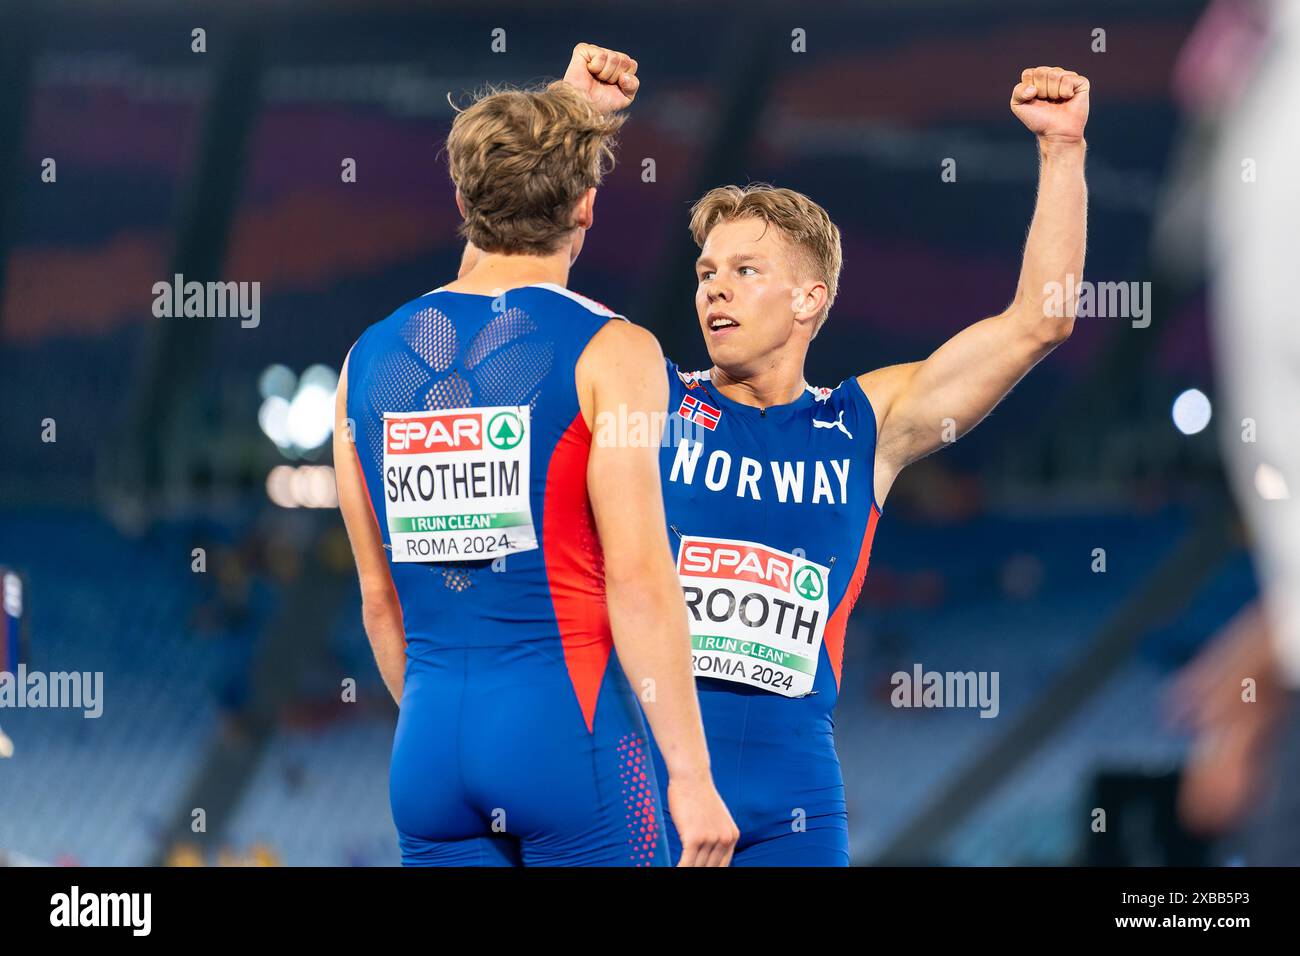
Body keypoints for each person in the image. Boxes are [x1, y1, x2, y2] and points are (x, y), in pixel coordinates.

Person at [550, 44, 1088, 864]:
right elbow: (520, 299)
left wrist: (1062, 151)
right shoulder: (648, 396)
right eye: (704, 271)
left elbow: (1039, 322)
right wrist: (572, 119)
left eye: (743, 269)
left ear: (810, 299)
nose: (713, 287)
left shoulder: (867, 423)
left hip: (796, 797)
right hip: (646, 781)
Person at [333, 75, 737, 866]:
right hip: (567, 740)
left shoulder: (367, 357)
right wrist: (690, 774)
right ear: (586, 204)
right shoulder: (614, 351)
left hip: (428, 754)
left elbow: (378, 600)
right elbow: (640, 578)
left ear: (464, 197)